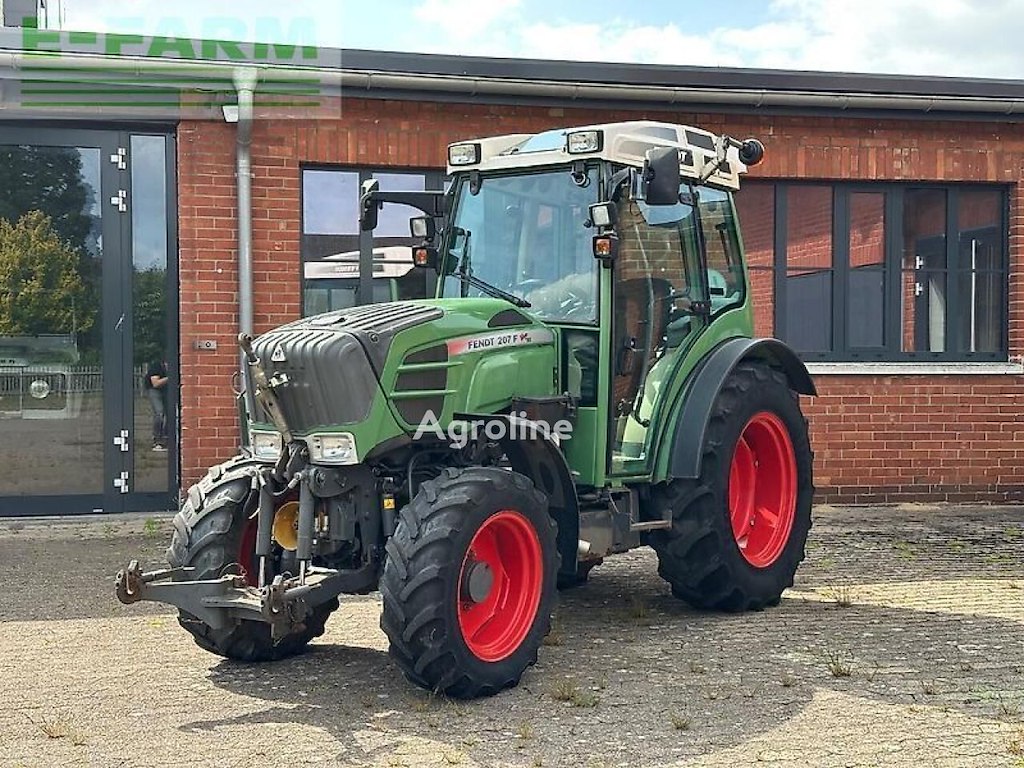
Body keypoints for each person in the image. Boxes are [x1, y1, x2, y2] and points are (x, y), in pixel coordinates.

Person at [144, 359, 169, 452]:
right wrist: (171, 377)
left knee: (170, 413)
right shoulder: (156, 366)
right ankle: (157, 440)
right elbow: (156, 383)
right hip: (154, 390)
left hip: (166, 390)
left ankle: (166, 439)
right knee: (159, 413)